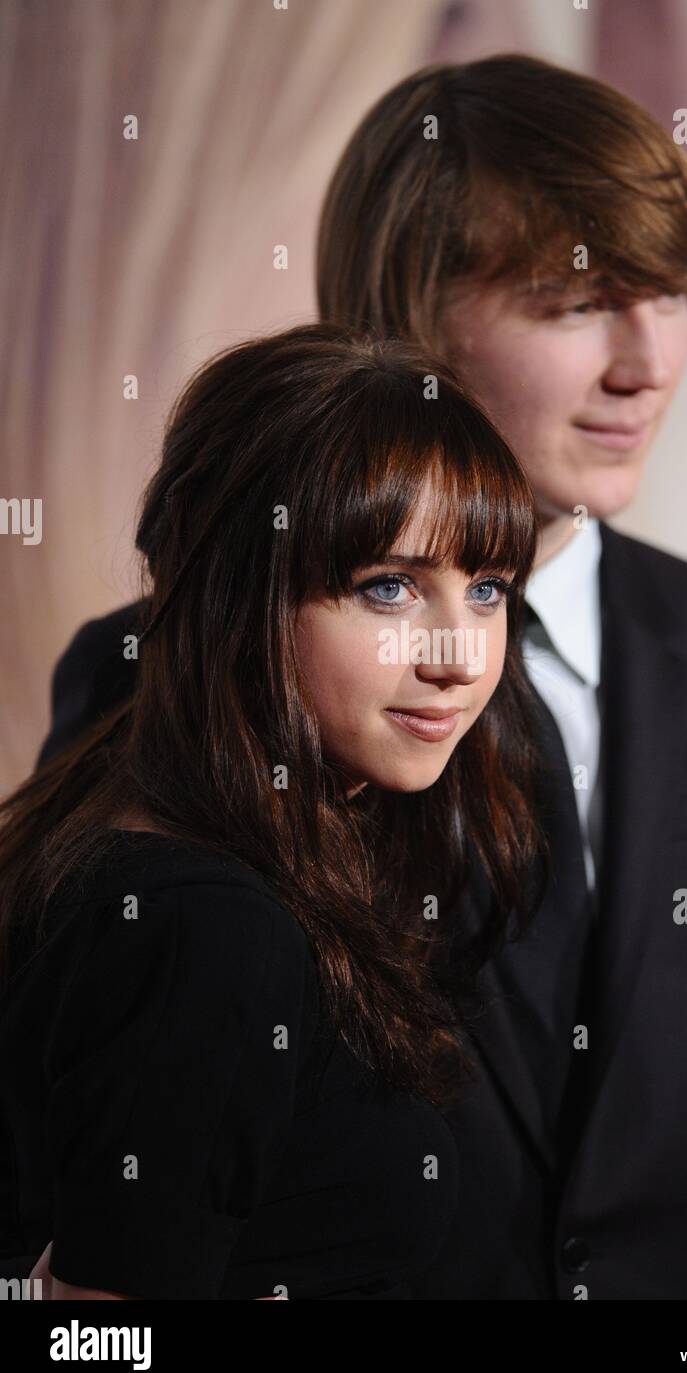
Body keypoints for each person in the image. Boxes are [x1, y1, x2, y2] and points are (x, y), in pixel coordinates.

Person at [33, 54, 687, 1299]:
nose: (647, 364)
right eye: (576, 305)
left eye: (672, 294)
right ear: (407, 317)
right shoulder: (175, 668)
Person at [0, 323, 550, 1300]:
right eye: (388, 587)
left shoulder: (228, 829)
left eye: (487, 589)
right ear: (232, 595)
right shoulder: (204, 929)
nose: (457, 657)